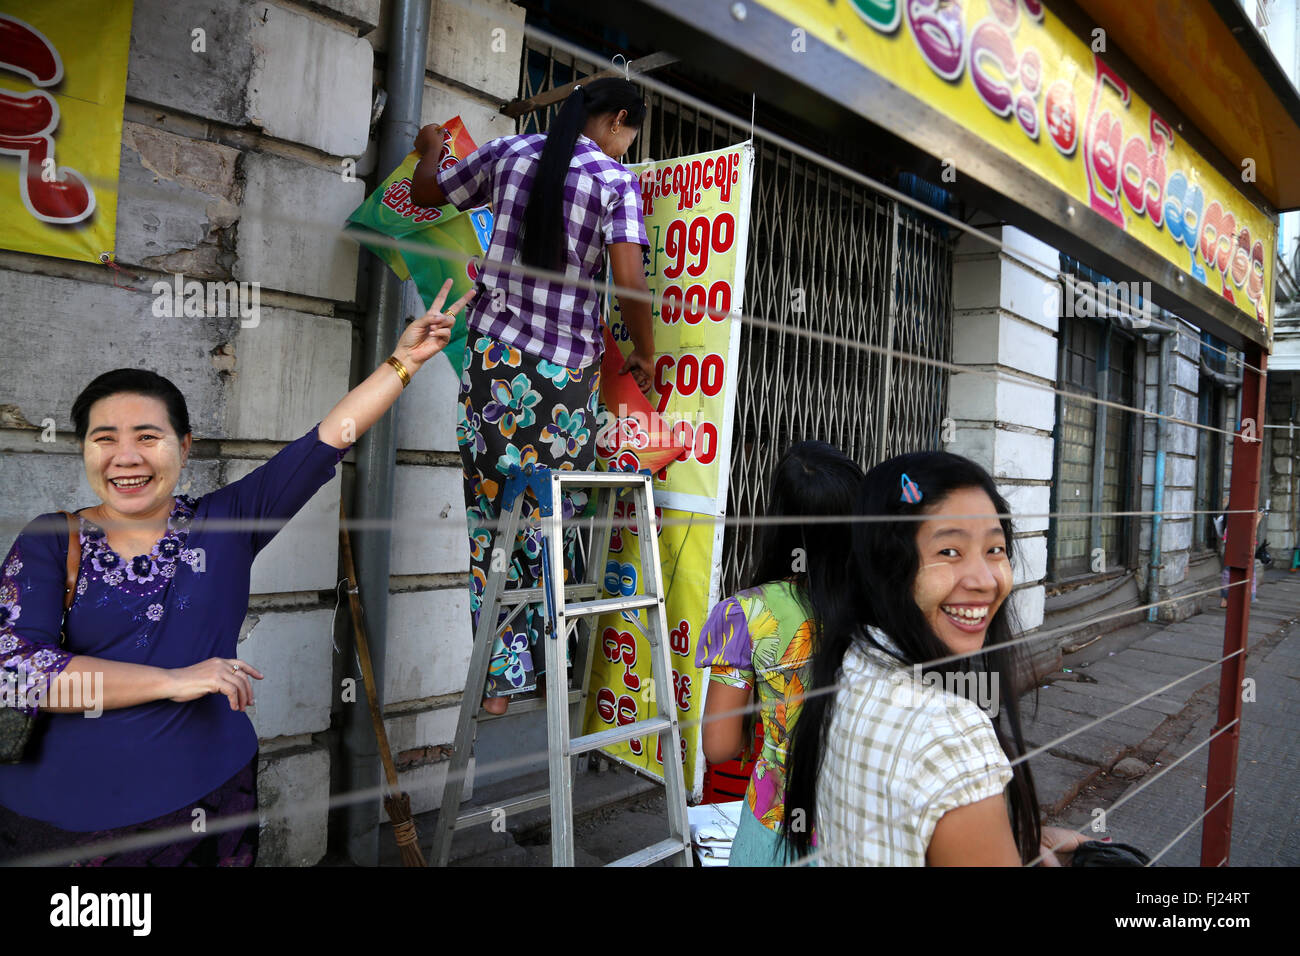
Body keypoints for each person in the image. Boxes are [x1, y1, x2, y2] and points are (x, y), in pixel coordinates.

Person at [0, 280, 471, 866]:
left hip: (210, 798)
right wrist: (176, 680)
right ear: (85, 451)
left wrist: (405, 362)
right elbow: (17, 672)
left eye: (149, 437)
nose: (126, 457)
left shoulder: (227, 522)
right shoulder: (52, 539)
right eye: (105, 439)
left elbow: (324, 442)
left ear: (184, 447)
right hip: (66, 818)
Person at [409, 77, 655, 715]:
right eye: (631, 134)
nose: (627, 146)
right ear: (620, 120)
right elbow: (629, 283)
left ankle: (497, 683)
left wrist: (432, 142)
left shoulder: (510, 151)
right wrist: (645, 352)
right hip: (566, 381)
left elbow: (429, 192)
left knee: (490, 519)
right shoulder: (614, 182)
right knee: (556, 522)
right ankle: (553, 670)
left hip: (494, 365)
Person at [781, 451, 1087, 866]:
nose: (984, 581)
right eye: (949, 552)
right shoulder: (950, 733)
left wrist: (1015, 841)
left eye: (995, 549)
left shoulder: (853, 660)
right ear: (887, 567)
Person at [695, 441, 862, 866]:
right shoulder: (882, 605)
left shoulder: (744, 615)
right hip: (862, 824)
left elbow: (719, 747)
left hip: (774, 824)